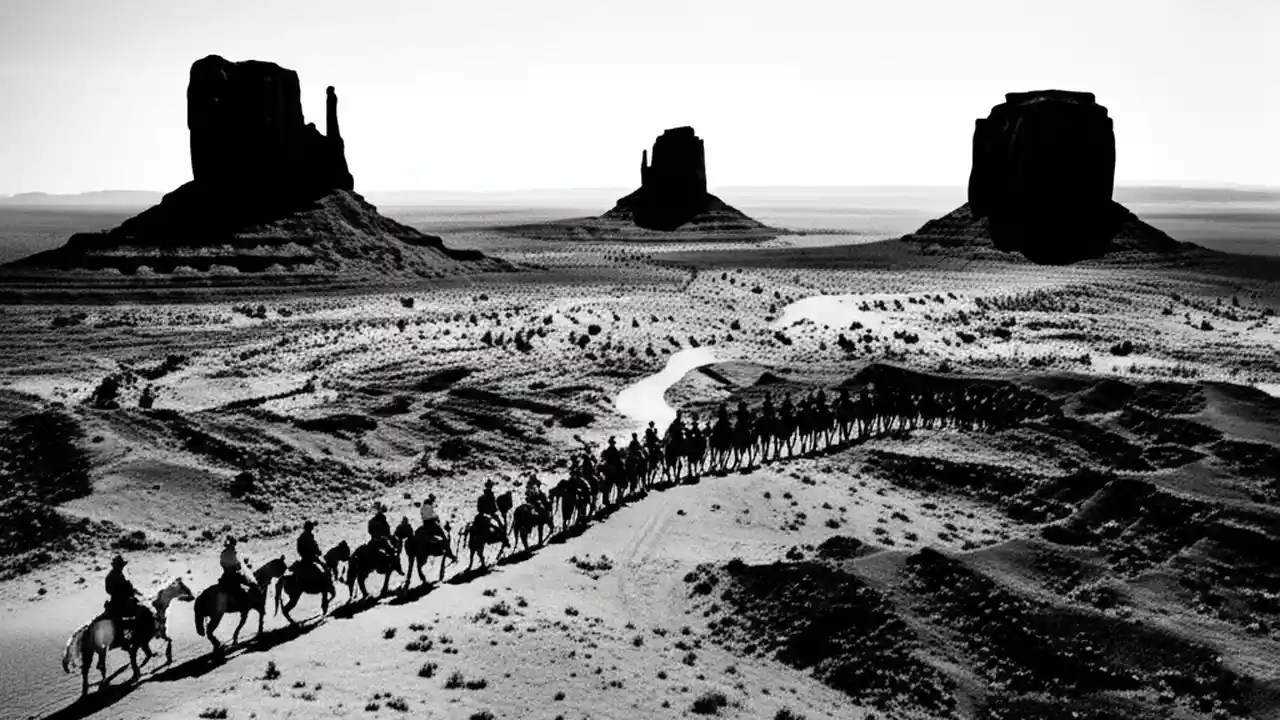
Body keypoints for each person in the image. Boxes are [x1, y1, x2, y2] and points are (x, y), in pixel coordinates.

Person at [103, 554, 143, 627]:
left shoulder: (118, 574)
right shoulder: (113, 576)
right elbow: (111, 590)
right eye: (121, 566)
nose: (122, 568)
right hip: (118, 602)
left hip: (121, 599)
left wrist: (130, 590)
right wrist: (126, 591)